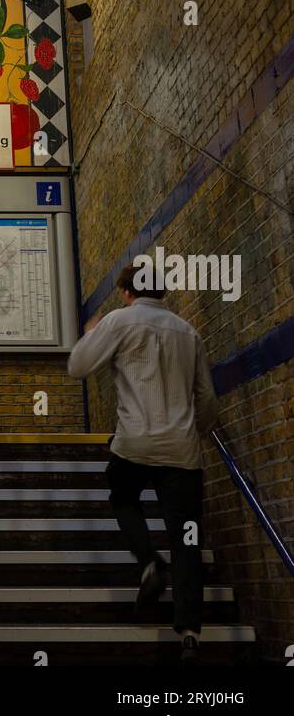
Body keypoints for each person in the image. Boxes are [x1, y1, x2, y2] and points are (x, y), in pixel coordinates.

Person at [67, 261, 218, 664]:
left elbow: (77, 366)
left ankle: (149, 563)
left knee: (122, 496)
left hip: (134, 445)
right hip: (183, 453)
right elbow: (206, 400)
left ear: (127, 292)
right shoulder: (189, 332)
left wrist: (93, 334)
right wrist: (193, 432)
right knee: (187, 538)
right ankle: (189, 632)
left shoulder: (118, 321)